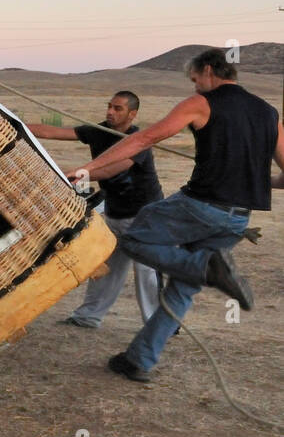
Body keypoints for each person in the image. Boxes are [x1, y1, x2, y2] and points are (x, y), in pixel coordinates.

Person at [67, 49, 284, 382]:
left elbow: (145, 137)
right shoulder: (269, 113)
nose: (195, 86)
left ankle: (206, 268)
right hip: (238, 218)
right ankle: (138, 360)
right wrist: (257, 180)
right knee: (182, 289)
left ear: (209, 70)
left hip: (199, 206)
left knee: (133, 239)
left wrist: (88, 168)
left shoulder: (201, 103)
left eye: (195, 79)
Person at [28, 92, 163, 327]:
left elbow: (112, 169)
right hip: (114, 213)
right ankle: (88, 317)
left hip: (145, 215)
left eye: (118, 108)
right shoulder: (99, 131)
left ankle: (160, 326)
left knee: (148, 273)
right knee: (106, 266)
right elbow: (52, 131)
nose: (110, 111)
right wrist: (11, 122)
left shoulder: (137, 140)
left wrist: (77, 174)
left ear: (132, 114)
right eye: (109, 106)